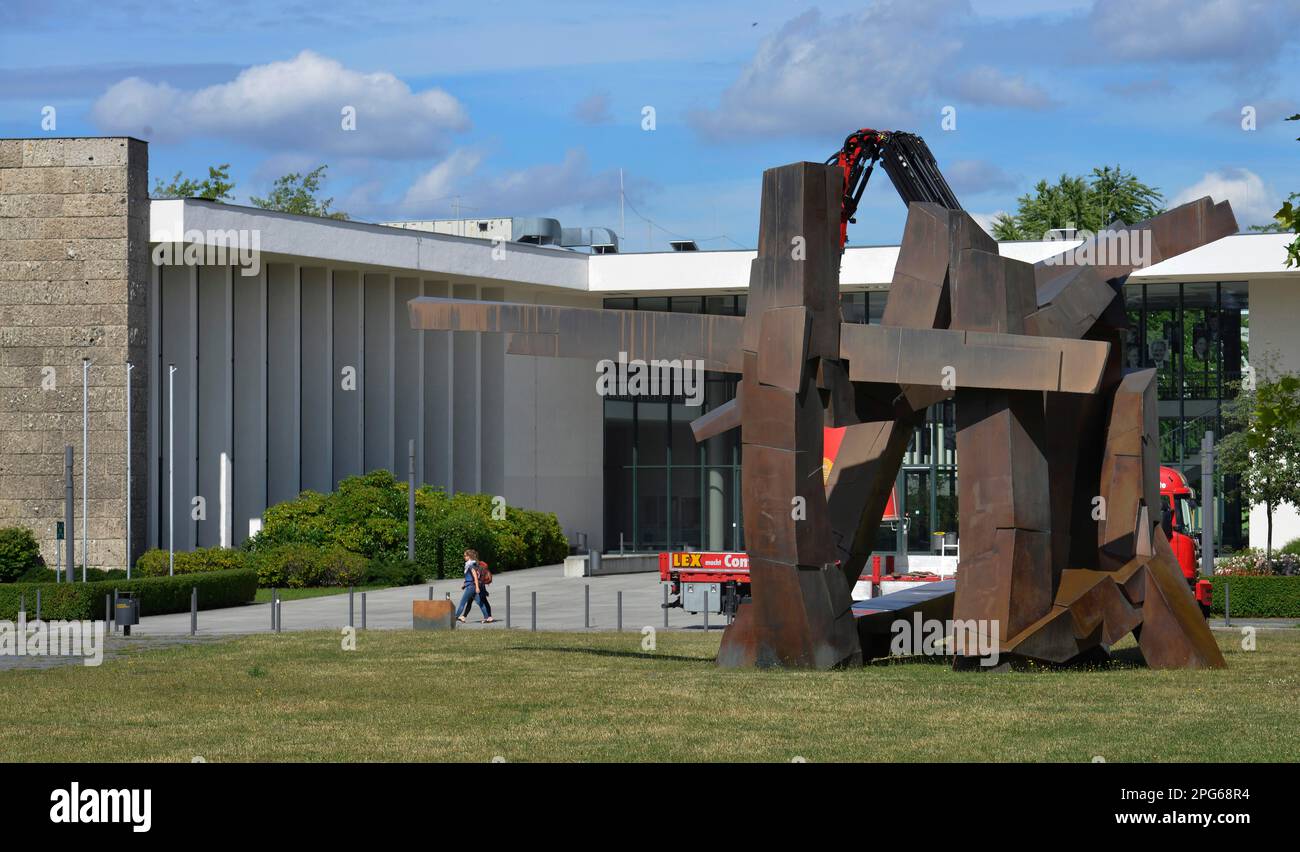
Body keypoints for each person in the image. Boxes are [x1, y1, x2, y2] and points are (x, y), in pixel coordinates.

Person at [456, 549, 494, 623]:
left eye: (465, 556)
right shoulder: (475, 565)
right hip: (473, 586)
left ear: (469, 556)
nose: (464, 557)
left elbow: (475, 577)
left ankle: (455, 617)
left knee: (462, 603)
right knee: (480, 602)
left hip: (471, 586)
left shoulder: (470, 565)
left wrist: (476, 587)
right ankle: (487, 617)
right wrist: (465, 584)